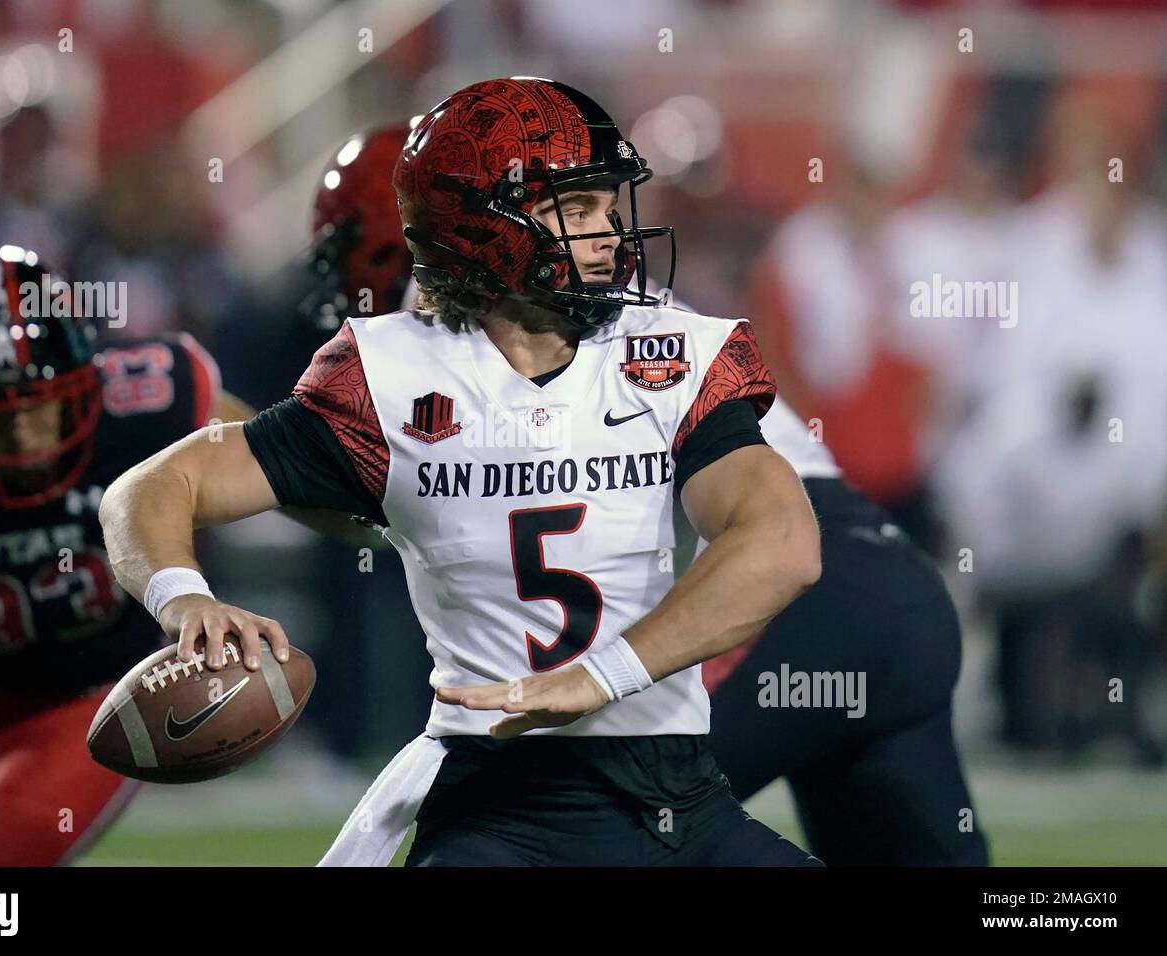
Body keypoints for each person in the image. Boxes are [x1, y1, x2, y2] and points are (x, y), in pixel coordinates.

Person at [100, 77, 822, 866]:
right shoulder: (388, 374)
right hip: (498, 808)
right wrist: (183, 598)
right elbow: (150, 487)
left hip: (677, 792)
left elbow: (783, 543)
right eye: (576, 210)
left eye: (608, 207)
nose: (610, 233)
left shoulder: (668, 352)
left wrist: (600, 676)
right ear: (487, 228)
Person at [0, 246, 247, 866]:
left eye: (37, 404)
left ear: (87, 384)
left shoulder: (150, 405)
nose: (21, 433)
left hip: (92, 699)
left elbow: (285, 456)